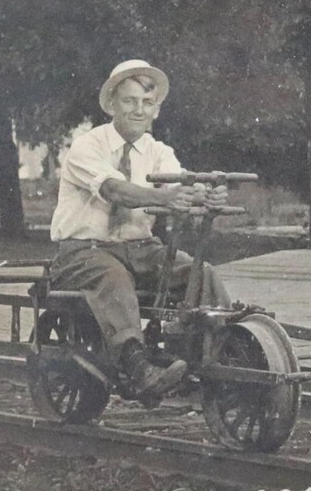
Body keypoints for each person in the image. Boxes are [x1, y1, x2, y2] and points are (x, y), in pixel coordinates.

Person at [49, 59, 232, 398]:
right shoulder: (87, 146)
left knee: (201, 274)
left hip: (142, 249)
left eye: (147, 103)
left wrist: (205, 197)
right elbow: (114, 190)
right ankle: (137, 368)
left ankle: (212, 357)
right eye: (129, 101)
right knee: (113, 279)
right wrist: (168, 197)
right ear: (111, 105)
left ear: (156, 111)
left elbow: (178, 186)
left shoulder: (159, 151)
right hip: (84, 252)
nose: (138, 110)